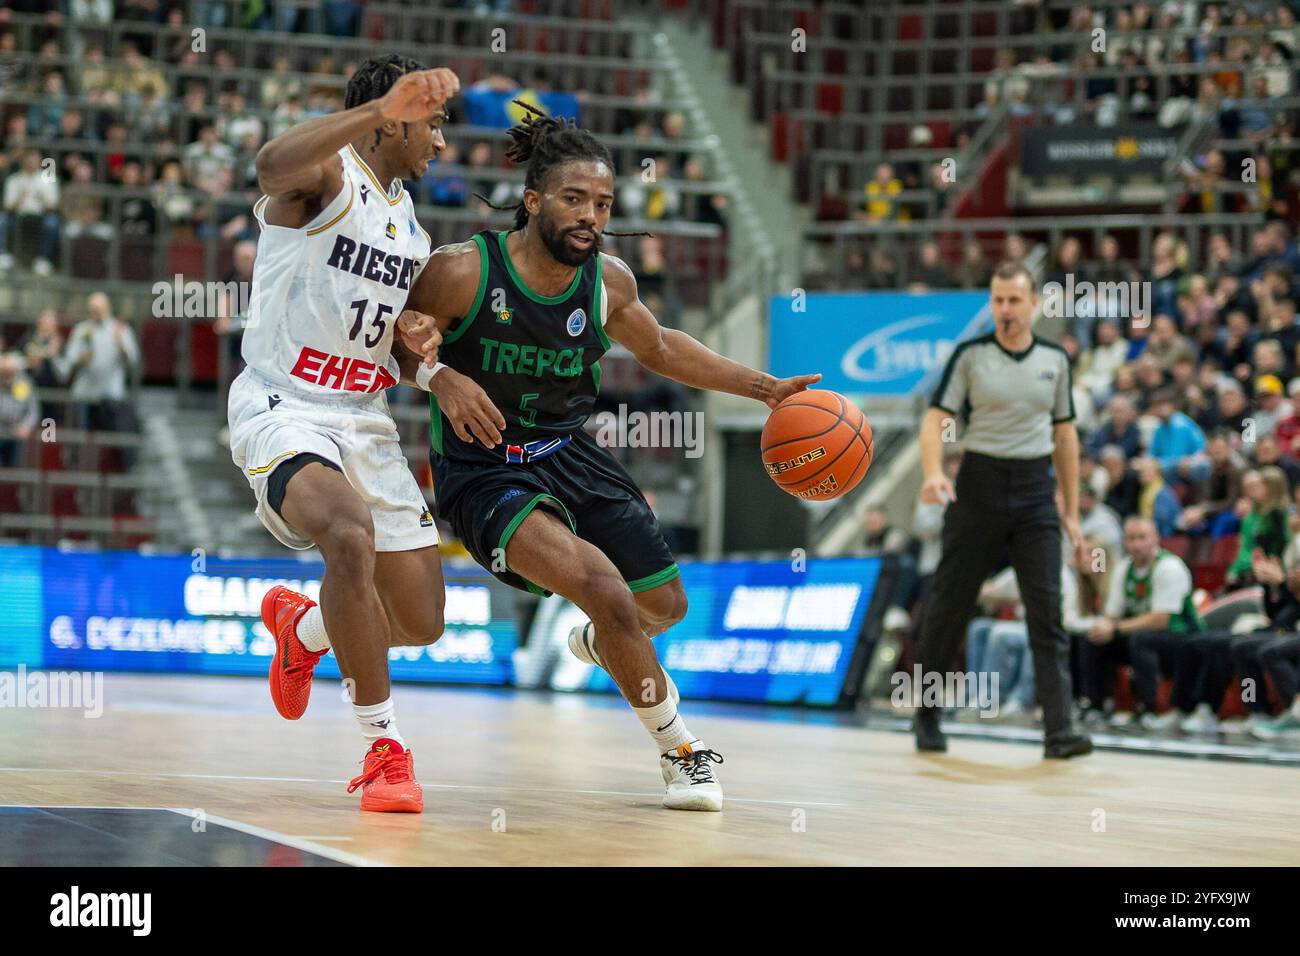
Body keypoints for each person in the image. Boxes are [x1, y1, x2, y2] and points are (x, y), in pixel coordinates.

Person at [396, 102, 821, 811]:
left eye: (602, 202)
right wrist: (437, 376)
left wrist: (765, 387)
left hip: (570, 452)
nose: (590, 215)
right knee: (601, 583)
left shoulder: (610, 282)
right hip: (485, 468)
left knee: (663, 604)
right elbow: (395, 339)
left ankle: (604, 642)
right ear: (532, 202)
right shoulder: (461, 272)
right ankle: (682, 752)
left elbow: (664, 351)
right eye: (572, 199)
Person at [226, 56, 461, 813]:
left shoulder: (412, 230)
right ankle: (384, 750)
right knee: (348, 533)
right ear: (392, 118)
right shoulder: (326, 179)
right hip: (284, 405)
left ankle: (305, 631)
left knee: (422, 622)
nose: (442, 144)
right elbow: (268, 163)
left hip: (365, 420)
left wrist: (430, 370)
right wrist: (371, 111)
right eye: (433, 124)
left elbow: (386, 343)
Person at [912, 260, 1092, 759]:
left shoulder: (1055, 359)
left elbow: (1065, 434)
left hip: (1035, 490)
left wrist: (1071, 512)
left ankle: (1059, 732)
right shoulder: (970, 356)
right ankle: (926, 717)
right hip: (978, 486)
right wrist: (933, 473)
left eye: (1014, 300)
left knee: (1047, 612)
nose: (1005, 309)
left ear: (1034, 304)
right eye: (997, 300)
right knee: (949, 606)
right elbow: (934, 420)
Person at [1082, 517, 1203, 730]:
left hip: (1183, 639)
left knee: (1141, 640)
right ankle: (1096, 706)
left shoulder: (1169, 567)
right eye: (1131, 539)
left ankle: (1149, 709)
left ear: (1156, 539)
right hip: (1144, 636)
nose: (1136, 544)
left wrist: (1116, 628)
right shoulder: (1124, 569)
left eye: (1142, 538)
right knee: (1094, 638)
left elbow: (1160, 620)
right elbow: (1112, 614)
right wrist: (1104, 627)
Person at [0, 352, 38, 467]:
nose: (7, 375)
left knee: (16, 468)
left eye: (10, 371)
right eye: (4, 371)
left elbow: (33, 411)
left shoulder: (24, 383)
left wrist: (25, 426)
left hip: (18, 433)